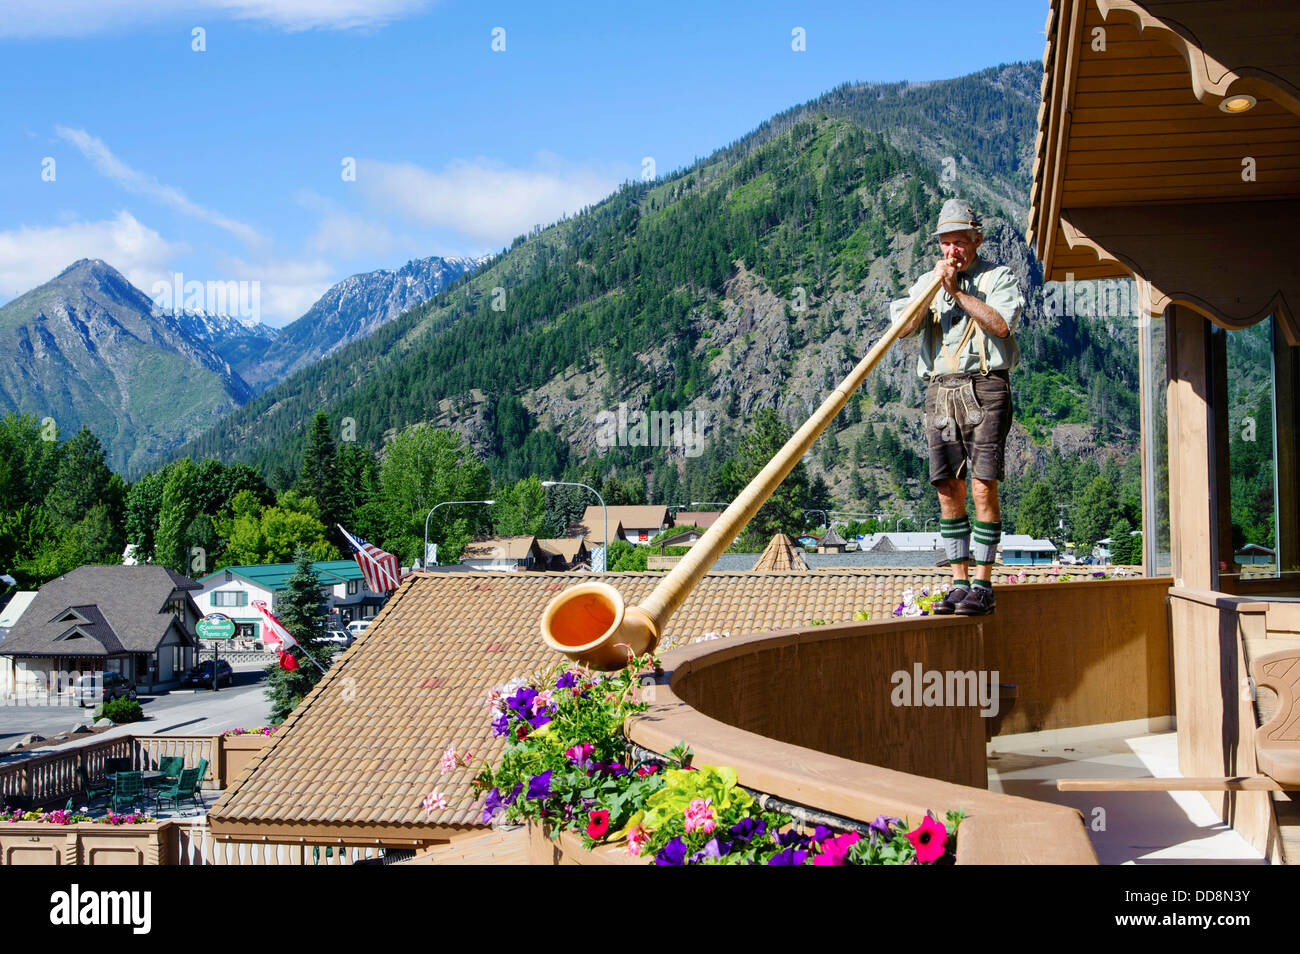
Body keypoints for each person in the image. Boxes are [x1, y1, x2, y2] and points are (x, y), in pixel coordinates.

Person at [890, 199, 1025, 616]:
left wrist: (957, 293)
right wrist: (933, 290)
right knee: (948, 487)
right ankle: (959, 582)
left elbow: (1002, 325)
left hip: (986, 387)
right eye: (946, 245)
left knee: (983, 483)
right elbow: (902, 328)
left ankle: (983, 585)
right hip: (940, 390)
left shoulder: (997, 277)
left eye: (960, 243)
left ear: (976, 241)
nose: (953, 252)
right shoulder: (928, 281)